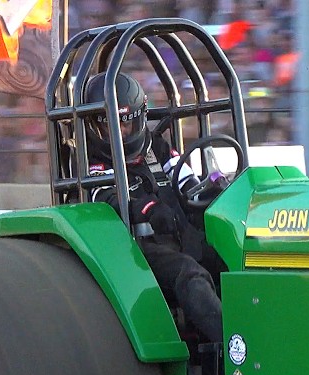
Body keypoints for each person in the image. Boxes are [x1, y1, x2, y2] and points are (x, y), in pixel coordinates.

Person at [83, 71, 224, 345]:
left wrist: (209, 191)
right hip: (133, 252)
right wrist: (146, 209)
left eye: (127, 123)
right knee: (189, 273)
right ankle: (237, 352)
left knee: (230, 259)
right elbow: (102, 196)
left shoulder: (155, 147)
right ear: (94, 126)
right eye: (111, 125)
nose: (121, 132)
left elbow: (186, 180)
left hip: (178, 238)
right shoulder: (93, 161)